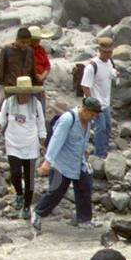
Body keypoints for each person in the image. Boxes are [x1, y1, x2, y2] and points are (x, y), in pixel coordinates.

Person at [31, 97, 102, 231]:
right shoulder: (68, 119)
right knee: (56, 191)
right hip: (61, 163)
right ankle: (38, 212)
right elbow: (56, 140)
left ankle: (84, 219)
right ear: (85, 110)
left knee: (85, 187)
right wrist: (47, 162)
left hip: (78, 162)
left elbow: (81, 144)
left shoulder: (87, 121)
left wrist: (84, 161)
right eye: (92, 114)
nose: (94, 117)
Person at [0, 76, 46, 218]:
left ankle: (27, 206)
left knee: (29, 179)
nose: (25, 96)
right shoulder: (9, 103)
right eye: (22, 93)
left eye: (27, 93)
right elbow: (1, 117)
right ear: (17, 92)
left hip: (31, 145)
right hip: (13, 144)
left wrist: (43, 142)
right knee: (15, 173)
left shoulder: (36, 105)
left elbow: (41, 124)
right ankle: (19, 194)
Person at [79, 37, 119, 160]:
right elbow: (85, 86)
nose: (108, 54)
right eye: (105, 52)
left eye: (110, 52)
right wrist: (91, 105)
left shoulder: (109, 62)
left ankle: (103, 149)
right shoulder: (92, 66)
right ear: (99, 50)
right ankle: (99, 154)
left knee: (107, 126)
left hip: (106, 102)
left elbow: (111, 74)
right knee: (100, 128)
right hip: (97, 103)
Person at [0, 27, 37, 101]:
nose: (25, 45)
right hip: (11, 88)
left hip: (26, 88)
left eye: (28, 42)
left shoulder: (30, 51)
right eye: (22, 42)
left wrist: (37, 86)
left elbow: (33, 71)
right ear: (17, 39)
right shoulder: (7, 50)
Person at [28, 25, 52, 112]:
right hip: (29, 83)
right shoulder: (26, 50)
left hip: (40, 82)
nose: (38, 41)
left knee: (40, 107)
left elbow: (47, 65)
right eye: (35, 39)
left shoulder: (41, 49)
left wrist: (43, 76)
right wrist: (36, 75)